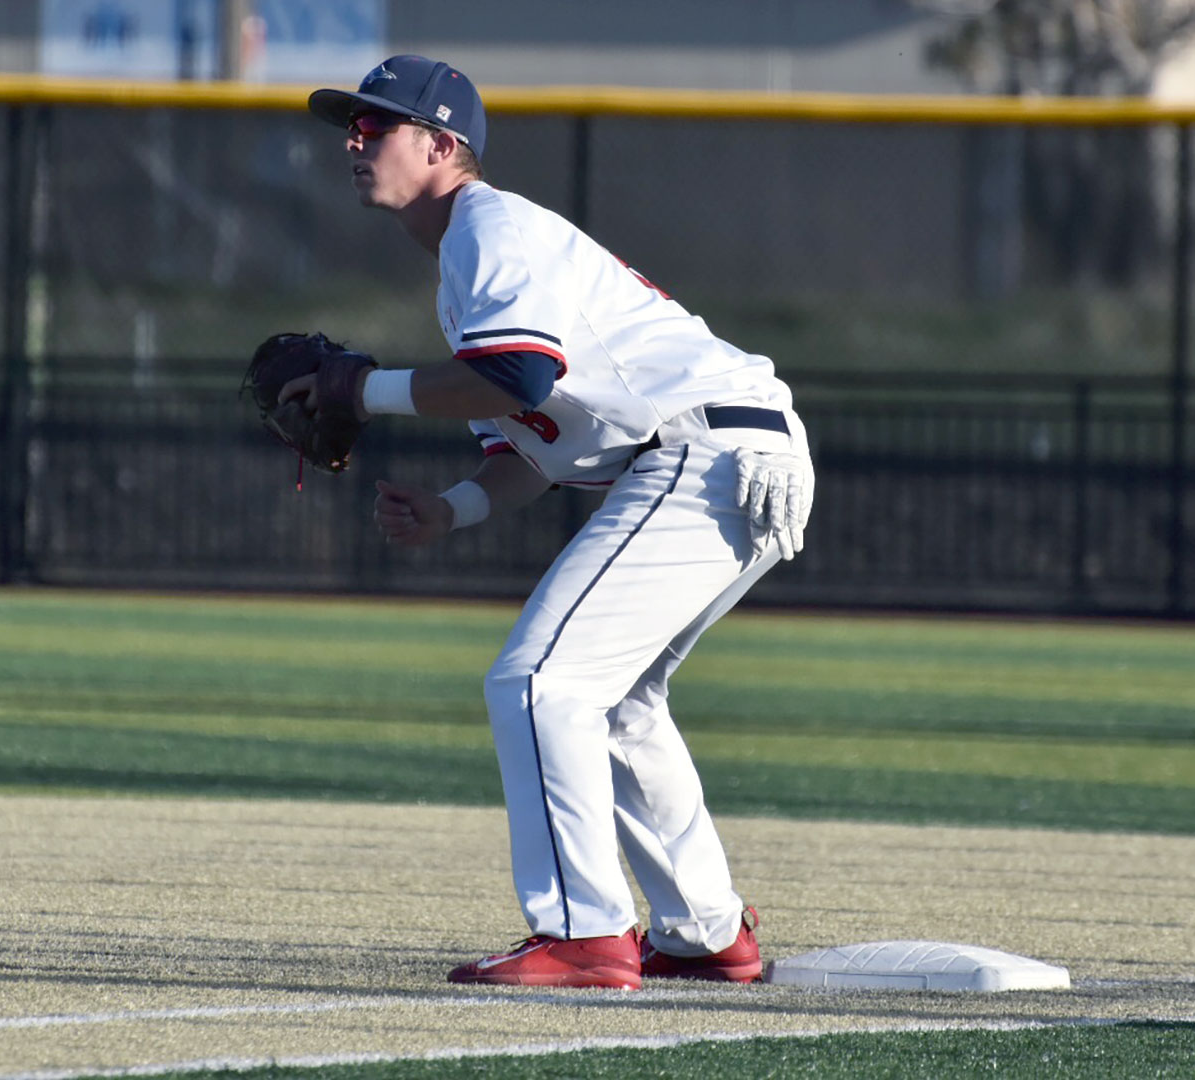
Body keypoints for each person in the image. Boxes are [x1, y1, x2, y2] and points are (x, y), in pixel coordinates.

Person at [298, 56, 814, 989]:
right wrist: (449, 511)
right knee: (616, 702)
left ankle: (584, 933)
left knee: (539, 682)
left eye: (375, 126)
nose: (354, 141)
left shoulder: (489, 230)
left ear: (442, 145)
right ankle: (704, 932)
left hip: (702, 452)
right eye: (353, 125)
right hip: (732, 448)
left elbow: (518, 378)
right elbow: (530, 442)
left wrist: (360, 390)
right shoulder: (474, 257)